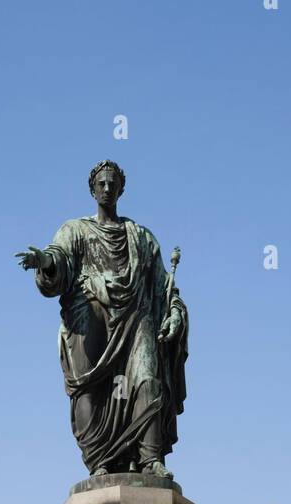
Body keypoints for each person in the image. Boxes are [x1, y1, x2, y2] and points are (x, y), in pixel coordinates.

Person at [16, 160, 188, 477]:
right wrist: (45, 261)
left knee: (147, 379)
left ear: (121, 189)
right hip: (89, 318)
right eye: (101, 184)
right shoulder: (75, 230)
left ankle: (150, 459)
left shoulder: (141, 238)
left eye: (113, 184)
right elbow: (60, 257)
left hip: (136, 320)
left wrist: (175, 311)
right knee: (89, 390)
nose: (107, 189)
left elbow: (165, 287)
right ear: (92, 189)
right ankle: (100, 461)